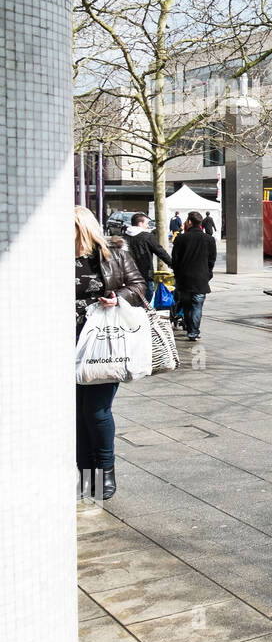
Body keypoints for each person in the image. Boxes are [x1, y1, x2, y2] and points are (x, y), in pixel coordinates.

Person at [75, 206, 149, 501]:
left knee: (96, 411)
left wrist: (117, 297)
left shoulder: (113, 253)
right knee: (76, 414)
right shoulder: (52, 253)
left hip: (103, 342)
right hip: (63, 343)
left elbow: (139, 285)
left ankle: (105, 472)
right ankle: (84, 473)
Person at [171, 210, 217, 341]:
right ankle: (193, 331)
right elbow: (211, 259)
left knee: (186, 305)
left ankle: (191, 329)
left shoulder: (181, 238)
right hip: (201, 278)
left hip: (184, 278)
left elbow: (175, 259)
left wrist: (177, 273)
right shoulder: (209, 239)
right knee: (197, 306)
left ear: (189, 222)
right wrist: (208, 273)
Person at [124, 212, 171, 303]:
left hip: (128, 275)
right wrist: (172, 264)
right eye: (146, 223)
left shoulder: (124, 237)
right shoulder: (147, 237)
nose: (148, 226)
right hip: (145, 274)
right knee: (146, 300)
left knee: (131, 301)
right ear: (140, 223)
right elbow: (160, 252)